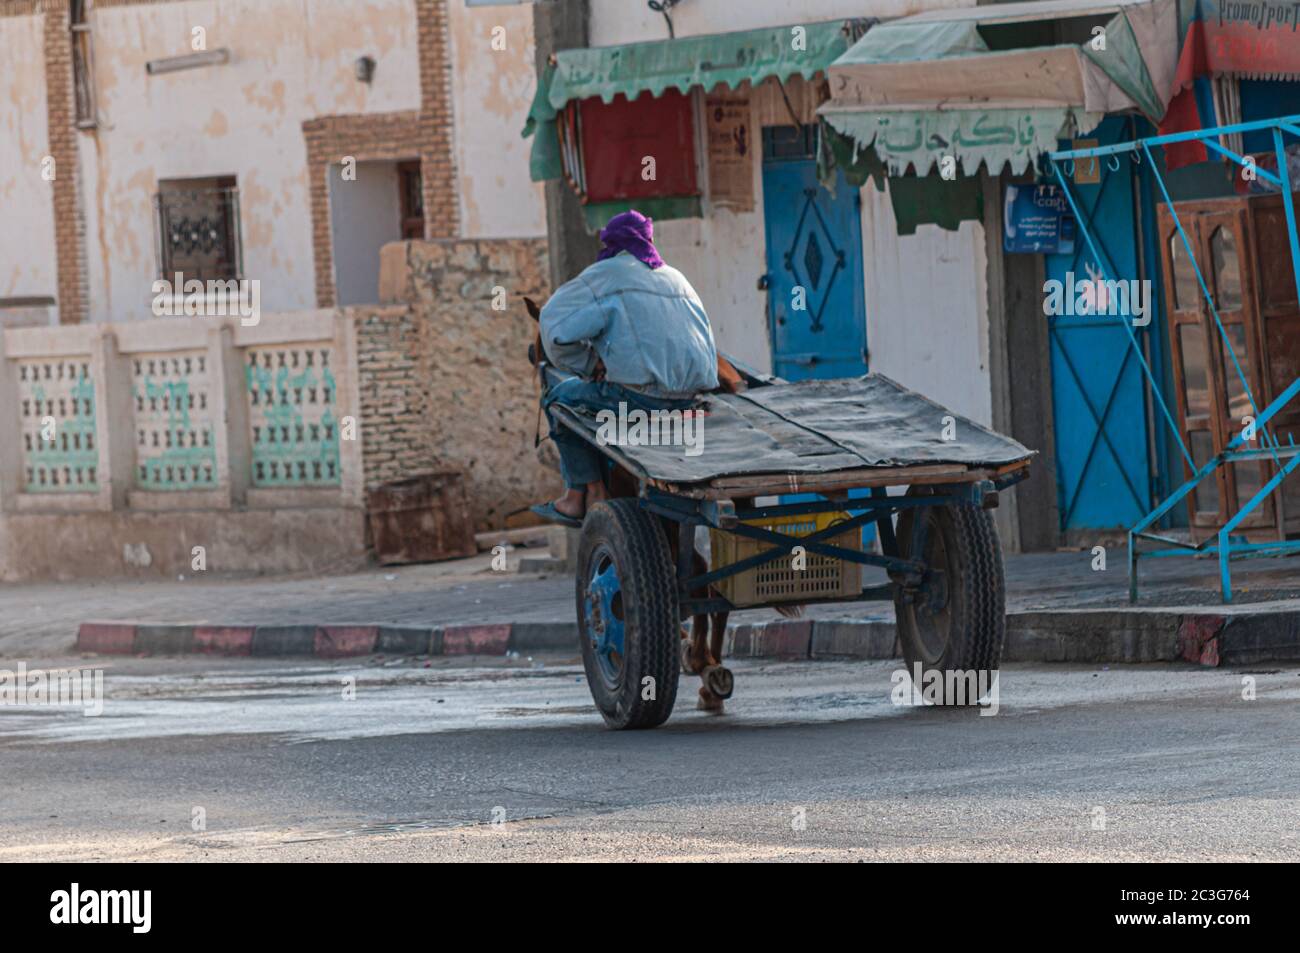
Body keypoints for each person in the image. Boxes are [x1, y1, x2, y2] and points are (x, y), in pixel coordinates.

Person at [531, 209, 718, 526]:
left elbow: (551, 323)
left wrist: (589, 365)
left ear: (612, 243)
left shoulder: (606, 275)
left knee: (557, 398)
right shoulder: (676, 277)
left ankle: (582, 495)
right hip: (693, 401)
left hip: (643, 400)